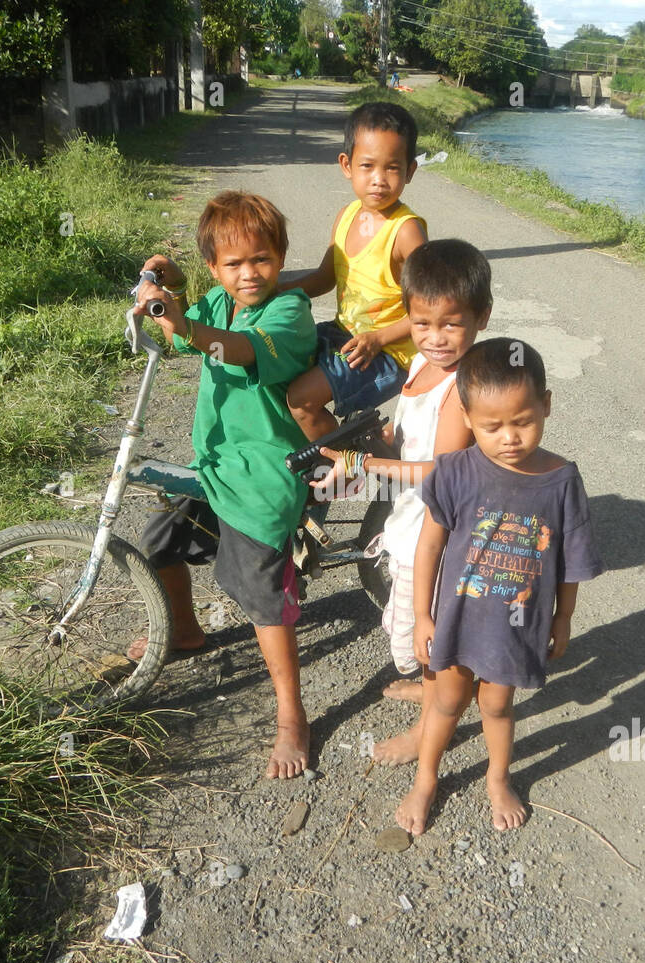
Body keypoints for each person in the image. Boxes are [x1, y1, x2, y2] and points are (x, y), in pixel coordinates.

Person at [130, 191, 316, 780]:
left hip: (265, 472)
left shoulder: (288, 313)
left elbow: (231, 348)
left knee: (260, 592)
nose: (249, 274)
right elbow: (195, 328)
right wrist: (174, 286)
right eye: (233, 265)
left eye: (260, 260)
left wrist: (184, 321)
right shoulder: (218, 298)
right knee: (159, 537)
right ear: (215, 269)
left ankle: (292, 713)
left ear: (280, 258)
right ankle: (185, 630)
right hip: (213, 463)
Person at [395, 339, 605, 833]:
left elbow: (571, 562)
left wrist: (563, 619)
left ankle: (497, 778)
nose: (509, 437)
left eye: (523, 421)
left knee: (496, 704)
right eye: (491, 426)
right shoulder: (455, 472)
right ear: (466, 417)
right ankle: (426, 778)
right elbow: (428, 548)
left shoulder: (561, 480)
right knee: (446, 701)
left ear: (546, 405)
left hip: (517, 628)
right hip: (458, 619)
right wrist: (423, 614)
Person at [314, 240, 492, 723]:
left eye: (451, 324)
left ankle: (435, 717)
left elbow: (443, 469)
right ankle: (438, 691)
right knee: (420, 623)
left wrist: (367, 465)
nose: (435, 337)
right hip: (412, 520)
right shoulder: (420, 363)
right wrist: (377, 439)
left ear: (483, 317)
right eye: (422, 324)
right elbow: (408, 432)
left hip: (438, 532)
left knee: (429, 629)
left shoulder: (460, 388)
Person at [278, 101, 427, 447]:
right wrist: (272, 293)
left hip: (387, 354)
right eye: (367, 166)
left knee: (301, 399)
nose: (379, 180)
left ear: (410, 171)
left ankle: (351, 463)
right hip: (344, 335)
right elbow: (323, 278)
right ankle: (321, 446)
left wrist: (379, 339)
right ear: (347, 165)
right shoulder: (347, 215)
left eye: (392, 168)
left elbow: (432, 309)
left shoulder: (406, 232)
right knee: (274, 358)